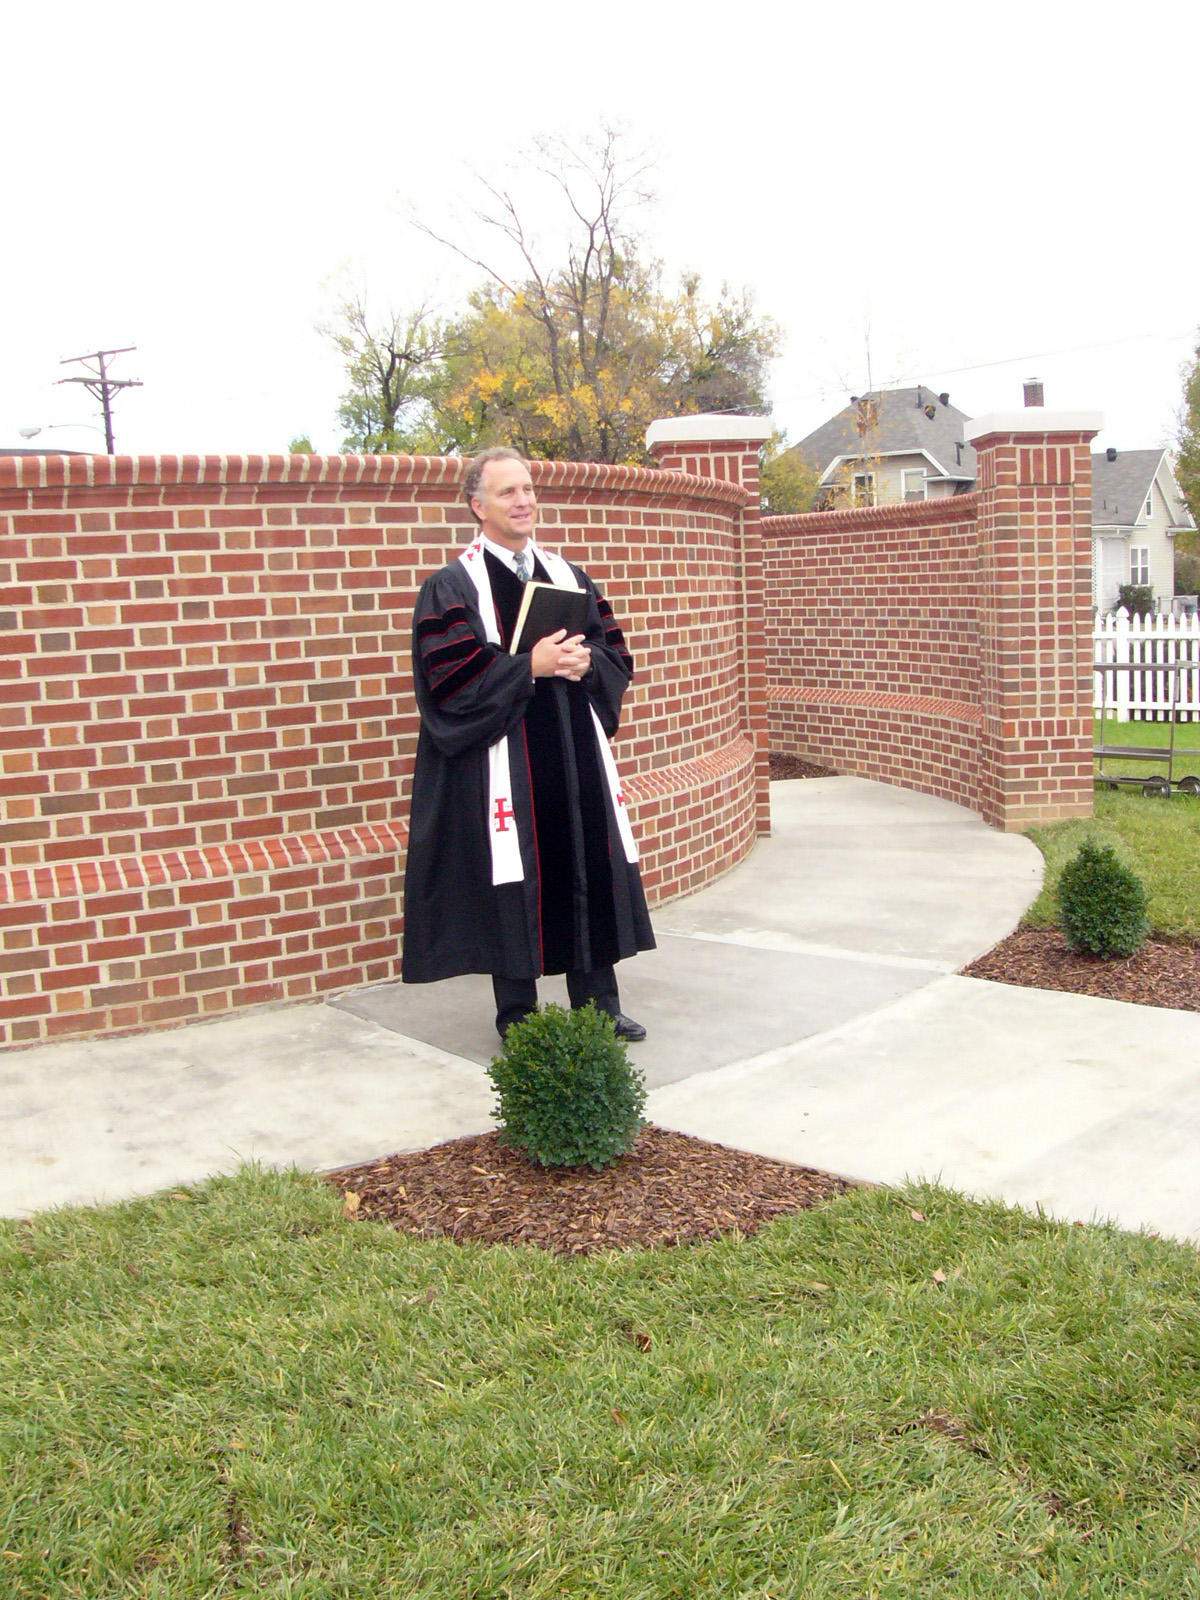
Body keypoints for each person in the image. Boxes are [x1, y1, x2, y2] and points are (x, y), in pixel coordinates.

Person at [402, 446, 655, 1041]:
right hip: (505, 765)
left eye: (528, 488)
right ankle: (517, 1012)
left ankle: (598, 1003)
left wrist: (586, 660)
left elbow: (617, 654)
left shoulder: (569, 575)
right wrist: (529, 667)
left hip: (575, 757)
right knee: (513, 877)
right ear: (477, 506)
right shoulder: (452, 586)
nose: (524, 501)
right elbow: (451, 682)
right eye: (507, 492)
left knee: (587, 862)